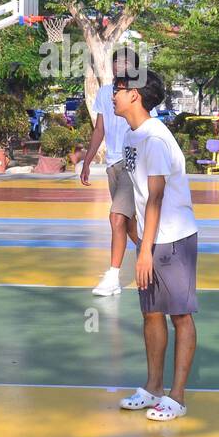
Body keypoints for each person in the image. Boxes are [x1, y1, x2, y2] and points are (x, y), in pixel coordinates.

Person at [114, 69, 199, 421]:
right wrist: (135, 235)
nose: (114, 94)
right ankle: (153, 388)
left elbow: (156, 196)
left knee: (179, 315)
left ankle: (177, 397)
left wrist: (145, 249)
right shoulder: (132, 136)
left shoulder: (156, 139)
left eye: (119, 89)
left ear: (135, 95)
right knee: (151, 314)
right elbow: (133, 191)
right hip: (150, 239)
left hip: (173, 238)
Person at [81, 46, 140, 296]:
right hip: (112, 166)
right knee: (127, 225)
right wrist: (87, 161)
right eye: (116, 62)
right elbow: (99, 130)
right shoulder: (106, 93)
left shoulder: (138, 93)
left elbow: (146, 126)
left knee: (116, 217)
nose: (120, 66)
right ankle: (157, 253)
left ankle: (113, 277)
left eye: (125, 62)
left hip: (132, 163)